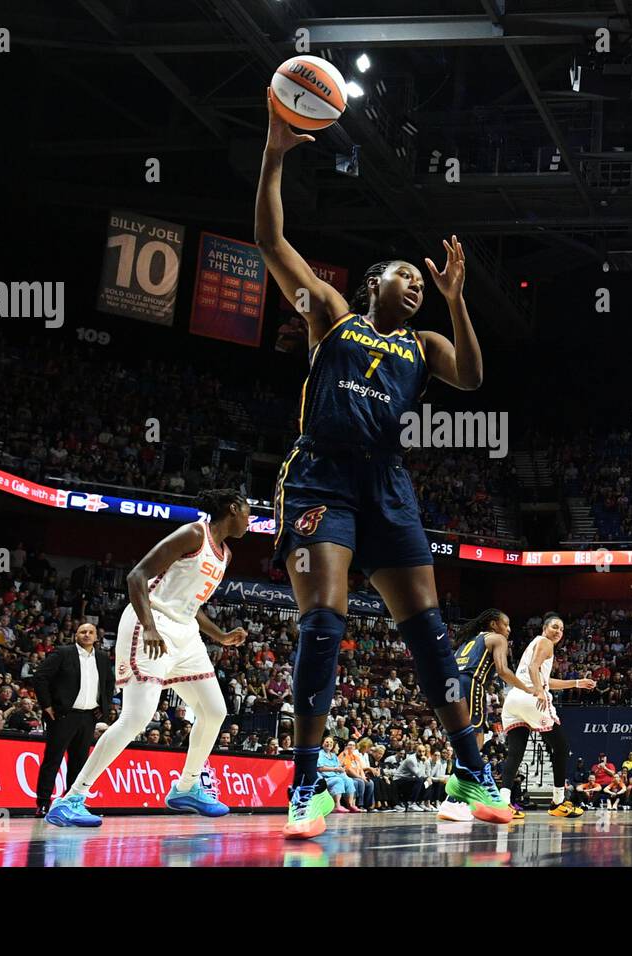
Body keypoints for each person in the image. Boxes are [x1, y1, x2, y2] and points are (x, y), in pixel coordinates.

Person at [256, 90, 510, 840]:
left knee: (430, 633)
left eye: (424, 284)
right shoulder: (330, 314)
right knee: (325, 623)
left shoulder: (422, 347)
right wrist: (275, 151)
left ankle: (470, 768)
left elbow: (471, 376)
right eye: (409, 276)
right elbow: (270, 241)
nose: (418, 285)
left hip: (389, 486)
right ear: (374, 285)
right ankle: (305, 788)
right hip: (321, 479)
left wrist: (459, 301)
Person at [45, 490, 251, 827]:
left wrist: (220, 637)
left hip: (186, 633)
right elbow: (136, 576)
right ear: (232, 509)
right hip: (150, 622)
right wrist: (150, 626)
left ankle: (186, 788)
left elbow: (191, 605)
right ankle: (71, 799)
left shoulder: (225, 554)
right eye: (247, 512)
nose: (249, 520)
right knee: (137, 717)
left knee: (215, 711)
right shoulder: (194, 534)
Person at [493, 613, 595, 819]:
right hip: (531, 698)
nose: (559, 632)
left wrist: (576, 683)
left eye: (562, 629)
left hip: (513, 699)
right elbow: (534, 669)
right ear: (545, 628)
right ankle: (558, 801)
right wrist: (539, 691)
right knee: (562, 746)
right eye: (555, 627)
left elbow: (545, 679)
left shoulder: (535, 644)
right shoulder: (545, 643)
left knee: (515, 753)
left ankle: (503, 803)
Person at [441, 608, 536, 821]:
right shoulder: (497, 639)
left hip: (451, 684)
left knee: (463, 739)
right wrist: (527, 689)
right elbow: (502, 670)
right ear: (493, 624)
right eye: (506, 624)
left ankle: (454, 798)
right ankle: (456, 800)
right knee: (476, 738)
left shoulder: (468, 641)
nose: (509, 629)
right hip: (471, 682)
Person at [31, 620, 114, 817]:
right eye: (82, 632)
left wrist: (104, 707)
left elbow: (109, 683)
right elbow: (40, 677)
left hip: (88, 717)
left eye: (90, 632)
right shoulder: (63, 653)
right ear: (76, 636)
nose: (86, 634)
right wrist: (47, 705)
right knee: (53, 759)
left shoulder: (102, 658)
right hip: (63, 716)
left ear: (96, 637)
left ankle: (72, 802)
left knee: (79, 762)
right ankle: (43, 802)